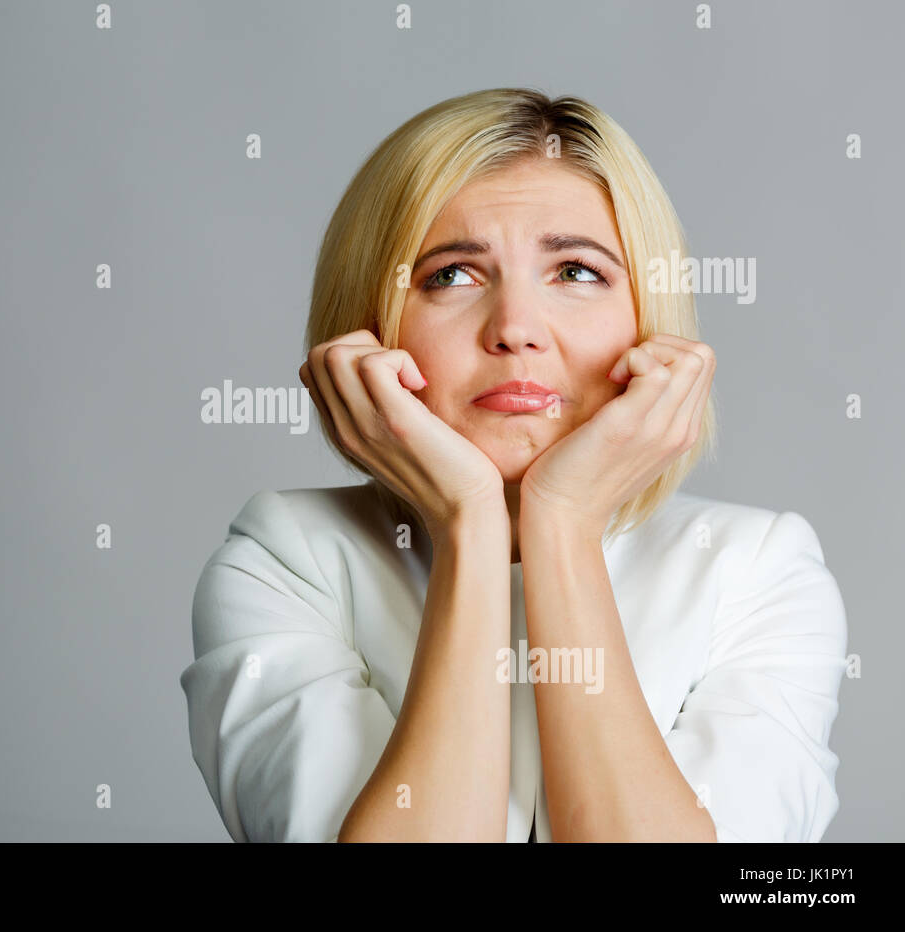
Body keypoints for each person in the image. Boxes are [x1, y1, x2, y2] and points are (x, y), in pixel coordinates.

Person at [178, 88, 847, 842]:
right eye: (452, 275)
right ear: (371, 329)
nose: (516, 329)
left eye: (576, 271)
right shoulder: (283, 559)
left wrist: (560, 524)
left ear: (647, 320)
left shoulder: (757, 570)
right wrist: (469, 521)